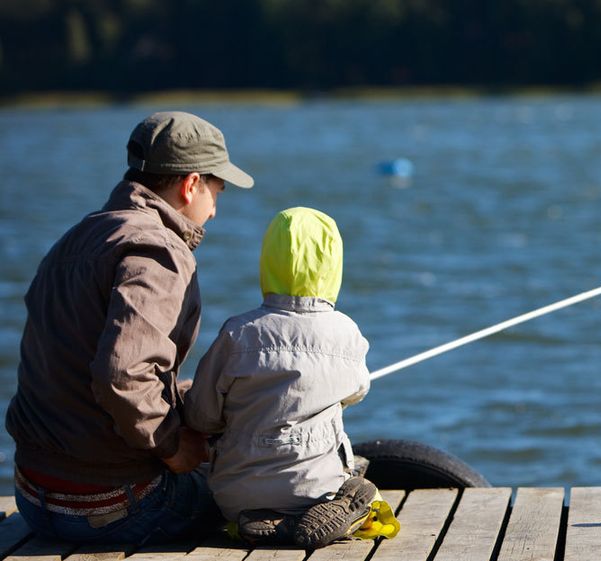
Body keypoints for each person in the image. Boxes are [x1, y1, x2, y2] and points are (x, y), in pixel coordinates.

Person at [5, 111, 255, 544]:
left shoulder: (77, 237)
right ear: (191, 184)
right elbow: (122, 375)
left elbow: (80, 370)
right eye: (217, 191)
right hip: (114, 508)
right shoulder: (159, 251)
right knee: (256, 489)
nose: (214, 209)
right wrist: (172, 448)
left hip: (34, 498)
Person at [183, 207, 398, 548]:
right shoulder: (346, 332)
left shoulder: (237, 333)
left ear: (268, 262)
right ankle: (335, 512)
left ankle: (269, 522)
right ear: (334, 267)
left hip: (236, 494)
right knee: (364, 493)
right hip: (317, 488)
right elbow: (358, 391)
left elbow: (202, 417)